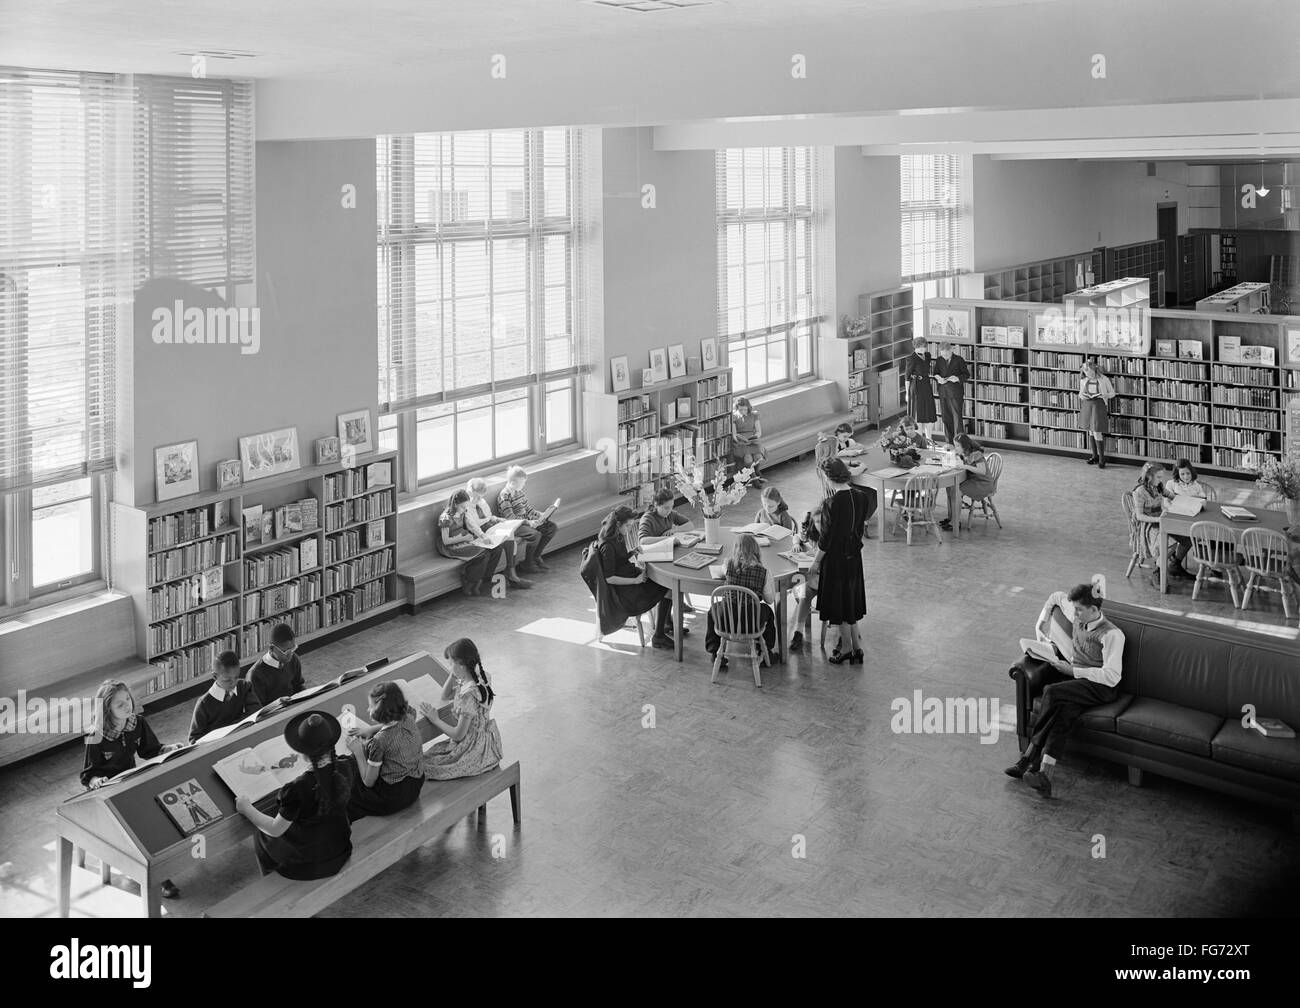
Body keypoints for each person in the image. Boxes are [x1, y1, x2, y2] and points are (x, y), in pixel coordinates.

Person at [1005, 576, 1124, 799]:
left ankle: (1029, 756)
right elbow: (1055, 598)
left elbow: (1111, 676)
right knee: (1063, 713)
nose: (1074, 614)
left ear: (1092, 609)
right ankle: (1044, 776)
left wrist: (1072, 671)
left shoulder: (1112, 635)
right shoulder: (1079, 616)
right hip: (1079, 681)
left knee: (1051, 691)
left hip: (1101, 686)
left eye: (1079, 610)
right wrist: (1040, 624)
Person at [82, 680, 183, 899]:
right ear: (107, 709)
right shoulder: (96, 735)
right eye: (120, 704)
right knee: (137, 824)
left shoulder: (137, 723)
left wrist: (169, 748)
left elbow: (151, 751)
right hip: (106, 794)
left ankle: (160, 867)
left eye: (127, 699)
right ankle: (157, 877)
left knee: (159, 812)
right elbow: (87, 774)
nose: (127, 706)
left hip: (131, 783)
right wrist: (96, 780)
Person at [235, 710, 355, 880]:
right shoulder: (344, 767)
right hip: (340, 849)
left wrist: (246, 809)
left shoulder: (297, 788)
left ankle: (270, 876)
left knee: (261, 832)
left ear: (304, 755)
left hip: (309, 865)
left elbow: (275, 830)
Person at [587, 505, 676, 649]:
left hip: (629, 578)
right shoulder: (607, 546)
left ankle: (664, 624)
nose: (629, 529)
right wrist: (635, 580)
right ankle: (659, 634)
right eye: (628, 526)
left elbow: (618, 560)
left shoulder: (617, 535)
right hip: (624, 592)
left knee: (666, 585)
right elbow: (609, 578)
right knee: (666, 586)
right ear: (618, 524)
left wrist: (631, 552)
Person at [809, 458, 866, 665]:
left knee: (841, 606)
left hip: (836, 560)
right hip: (854, 556)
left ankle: (847, 649)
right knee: (851, 601)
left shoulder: (831, 503)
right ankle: (857, 649)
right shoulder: (861, 496)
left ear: (827, 477)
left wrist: (815, 563)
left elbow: (825, 540)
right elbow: (859, 527)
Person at [420, 639, 504, 779]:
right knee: (427, 756)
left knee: (424, 766)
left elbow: (458, 735)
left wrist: (435, 719)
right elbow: (445, 695)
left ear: (462, 665)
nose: (449, 667)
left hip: (473, 749)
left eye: (451, 663)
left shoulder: (468, 696)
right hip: (484, 742)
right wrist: (453, 674)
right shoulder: (480, 678)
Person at [344, 682, 425, 821]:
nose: (368, 709)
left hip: (391, 798)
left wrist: (357, 750)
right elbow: (393, 722)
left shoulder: (379, 742)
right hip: (415, 787)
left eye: (370, 706)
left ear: (378, 711)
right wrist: (370, 729)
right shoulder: (408, 716)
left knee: (350, 782)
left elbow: (368, 782)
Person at [705, 532, 778, 669]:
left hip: (727, 619)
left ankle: (714, 653)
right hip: (751, 622)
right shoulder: (764, 572)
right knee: (768, 611)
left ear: (735, 549)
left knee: (712, 610)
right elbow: (770, 600)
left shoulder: (728, 564)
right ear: (756, 550)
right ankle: (767, 650)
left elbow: (722, 571)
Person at [438, 489, 508, 597]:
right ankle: (470, 581)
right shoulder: (445, 518)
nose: (465, 509)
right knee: (482, 553)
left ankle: (481, 579)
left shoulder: (463, 512)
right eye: (462, 507)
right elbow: (445, 540)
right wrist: (463, 538)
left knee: (495, 547)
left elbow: (472, 525)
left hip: (465, 539)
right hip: (451, 545)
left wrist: (483, 536)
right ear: (455, 504)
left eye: (466, 507)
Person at [466, 478, 533, 587]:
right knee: (506, 537)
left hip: (489, 526)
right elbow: (472, 525)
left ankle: (511, 571)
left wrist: (497, 519)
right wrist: (483, 536)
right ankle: (511, 573)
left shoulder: (481, 501)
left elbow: (488, 517)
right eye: (477, 496)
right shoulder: (466, 506)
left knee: (509, 532)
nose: (480, 499)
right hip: (479, 532)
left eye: (481, 496)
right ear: (470, 492)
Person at [1132, 461, 1189, 584]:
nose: (1160, 479)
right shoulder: (1139, 492)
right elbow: (1139, 516)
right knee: (1170, 544)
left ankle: (1175, 564)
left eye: (1161, 477)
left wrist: (1189, 501)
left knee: (1188, 539)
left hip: (1162, 520)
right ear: (1149, 476)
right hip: (1149, 526)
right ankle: (1157, 570)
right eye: (1158, 477)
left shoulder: (1158, 486)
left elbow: (1171, 495)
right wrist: (1158, 519)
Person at [496, 465, 558, 572]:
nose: (524, 485)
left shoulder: (520, 493)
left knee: (552, 527)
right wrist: (529, 523)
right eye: (522, 483)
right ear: (513, 483)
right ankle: (528, 563)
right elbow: (510, 518)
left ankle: (536, 556)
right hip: (513, 526)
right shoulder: (504, 496)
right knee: (534, 534)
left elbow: (528, 509)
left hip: (526, 522)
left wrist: (541, 515)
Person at [189, 650, 259, 742]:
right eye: (227, 680)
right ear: (214, 676)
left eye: (236, 677)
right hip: (216, 745)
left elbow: (255, 712)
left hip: (240, 737)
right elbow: (194, 739)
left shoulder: (244, 686)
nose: (233, 683)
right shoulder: (203, 704)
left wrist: (232, 729)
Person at [789, 499, 825, 652]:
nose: (819, 525)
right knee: (800, 591)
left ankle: (798, 631)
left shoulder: (830, 538)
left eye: (822, 521)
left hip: (826, 580)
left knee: (802, 591)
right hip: (813, 578)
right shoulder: (814, 535)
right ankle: (798, 632)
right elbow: (797, 536)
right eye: (816, 522)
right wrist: (797, 544)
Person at [947, 433, 997, 532]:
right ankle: (952, 518)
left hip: (983, 483)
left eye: (957, 446)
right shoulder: (965, 453)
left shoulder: (976, 454)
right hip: (974, 480)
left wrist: (966, 466)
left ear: (965, 446)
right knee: (951, 487)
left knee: (957, 491)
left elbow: (982, 471)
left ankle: (955, 522)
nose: (956, 448)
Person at [247, 623, 304, 707]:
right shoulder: (256, 674)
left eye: (293, 649)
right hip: (272, 715)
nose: (290, 654)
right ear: (271, 648)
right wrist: (277, 704)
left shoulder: (293, 659)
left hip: (293, 707)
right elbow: (257, 709)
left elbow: (298, 685)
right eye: (285, 651)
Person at [1079, 358, 1116, 469]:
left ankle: (1102, 459)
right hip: (1087, 405)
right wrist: (1083, 396)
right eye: (1086, 373)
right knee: (1090, 431)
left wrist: (1104, 395)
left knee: (1097, 431)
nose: (1088, 375)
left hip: (1098, 406)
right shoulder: (1083, 380)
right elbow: (1080, 394)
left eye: (1089, 372)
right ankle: (1094, 456)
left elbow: (1112, 393)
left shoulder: (1103, 379)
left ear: (1094, 370)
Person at [932, 342, 970, 445]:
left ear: (951, 350)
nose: (944, 357)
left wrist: (957, 378)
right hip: (943, 392)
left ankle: (960, 443)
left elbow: (966, 375)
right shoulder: (939, 360)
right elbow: (935, 373)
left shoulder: (959, 360)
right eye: (943, 354)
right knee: (945, 417)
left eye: (947, 355)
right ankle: (949, 441)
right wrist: (938, 378)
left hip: (955, 392)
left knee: (957, 418)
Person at [902, 336, 937, 439]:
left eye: (924, 347)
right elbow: (907, 376)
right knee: (919, 414)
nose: (923, 349)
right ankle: (920, 439)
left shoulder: (928, 356)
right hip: (916, 386)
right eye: (920, 347)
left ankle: (929, 439)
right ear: (915, 347)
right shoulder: (911, 358)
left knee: (929, 414)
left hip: (926, 385)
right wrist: (907, 393)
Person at [731, 397, 767, 483]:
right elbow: (734, 434)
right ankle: (754, 477)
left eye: (744, 409)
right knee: (748, 459)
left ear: (748, 407)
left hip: (752, 440)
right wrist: (739, 440)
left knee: (758, 457)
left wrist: (755, 437)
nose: (743, 411)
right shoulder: (734, 417)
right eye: (740, 409)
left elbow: (759, 431)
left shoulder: (754, 415)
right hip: (740, 442)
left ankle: (757, 471)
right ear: (737, 408)